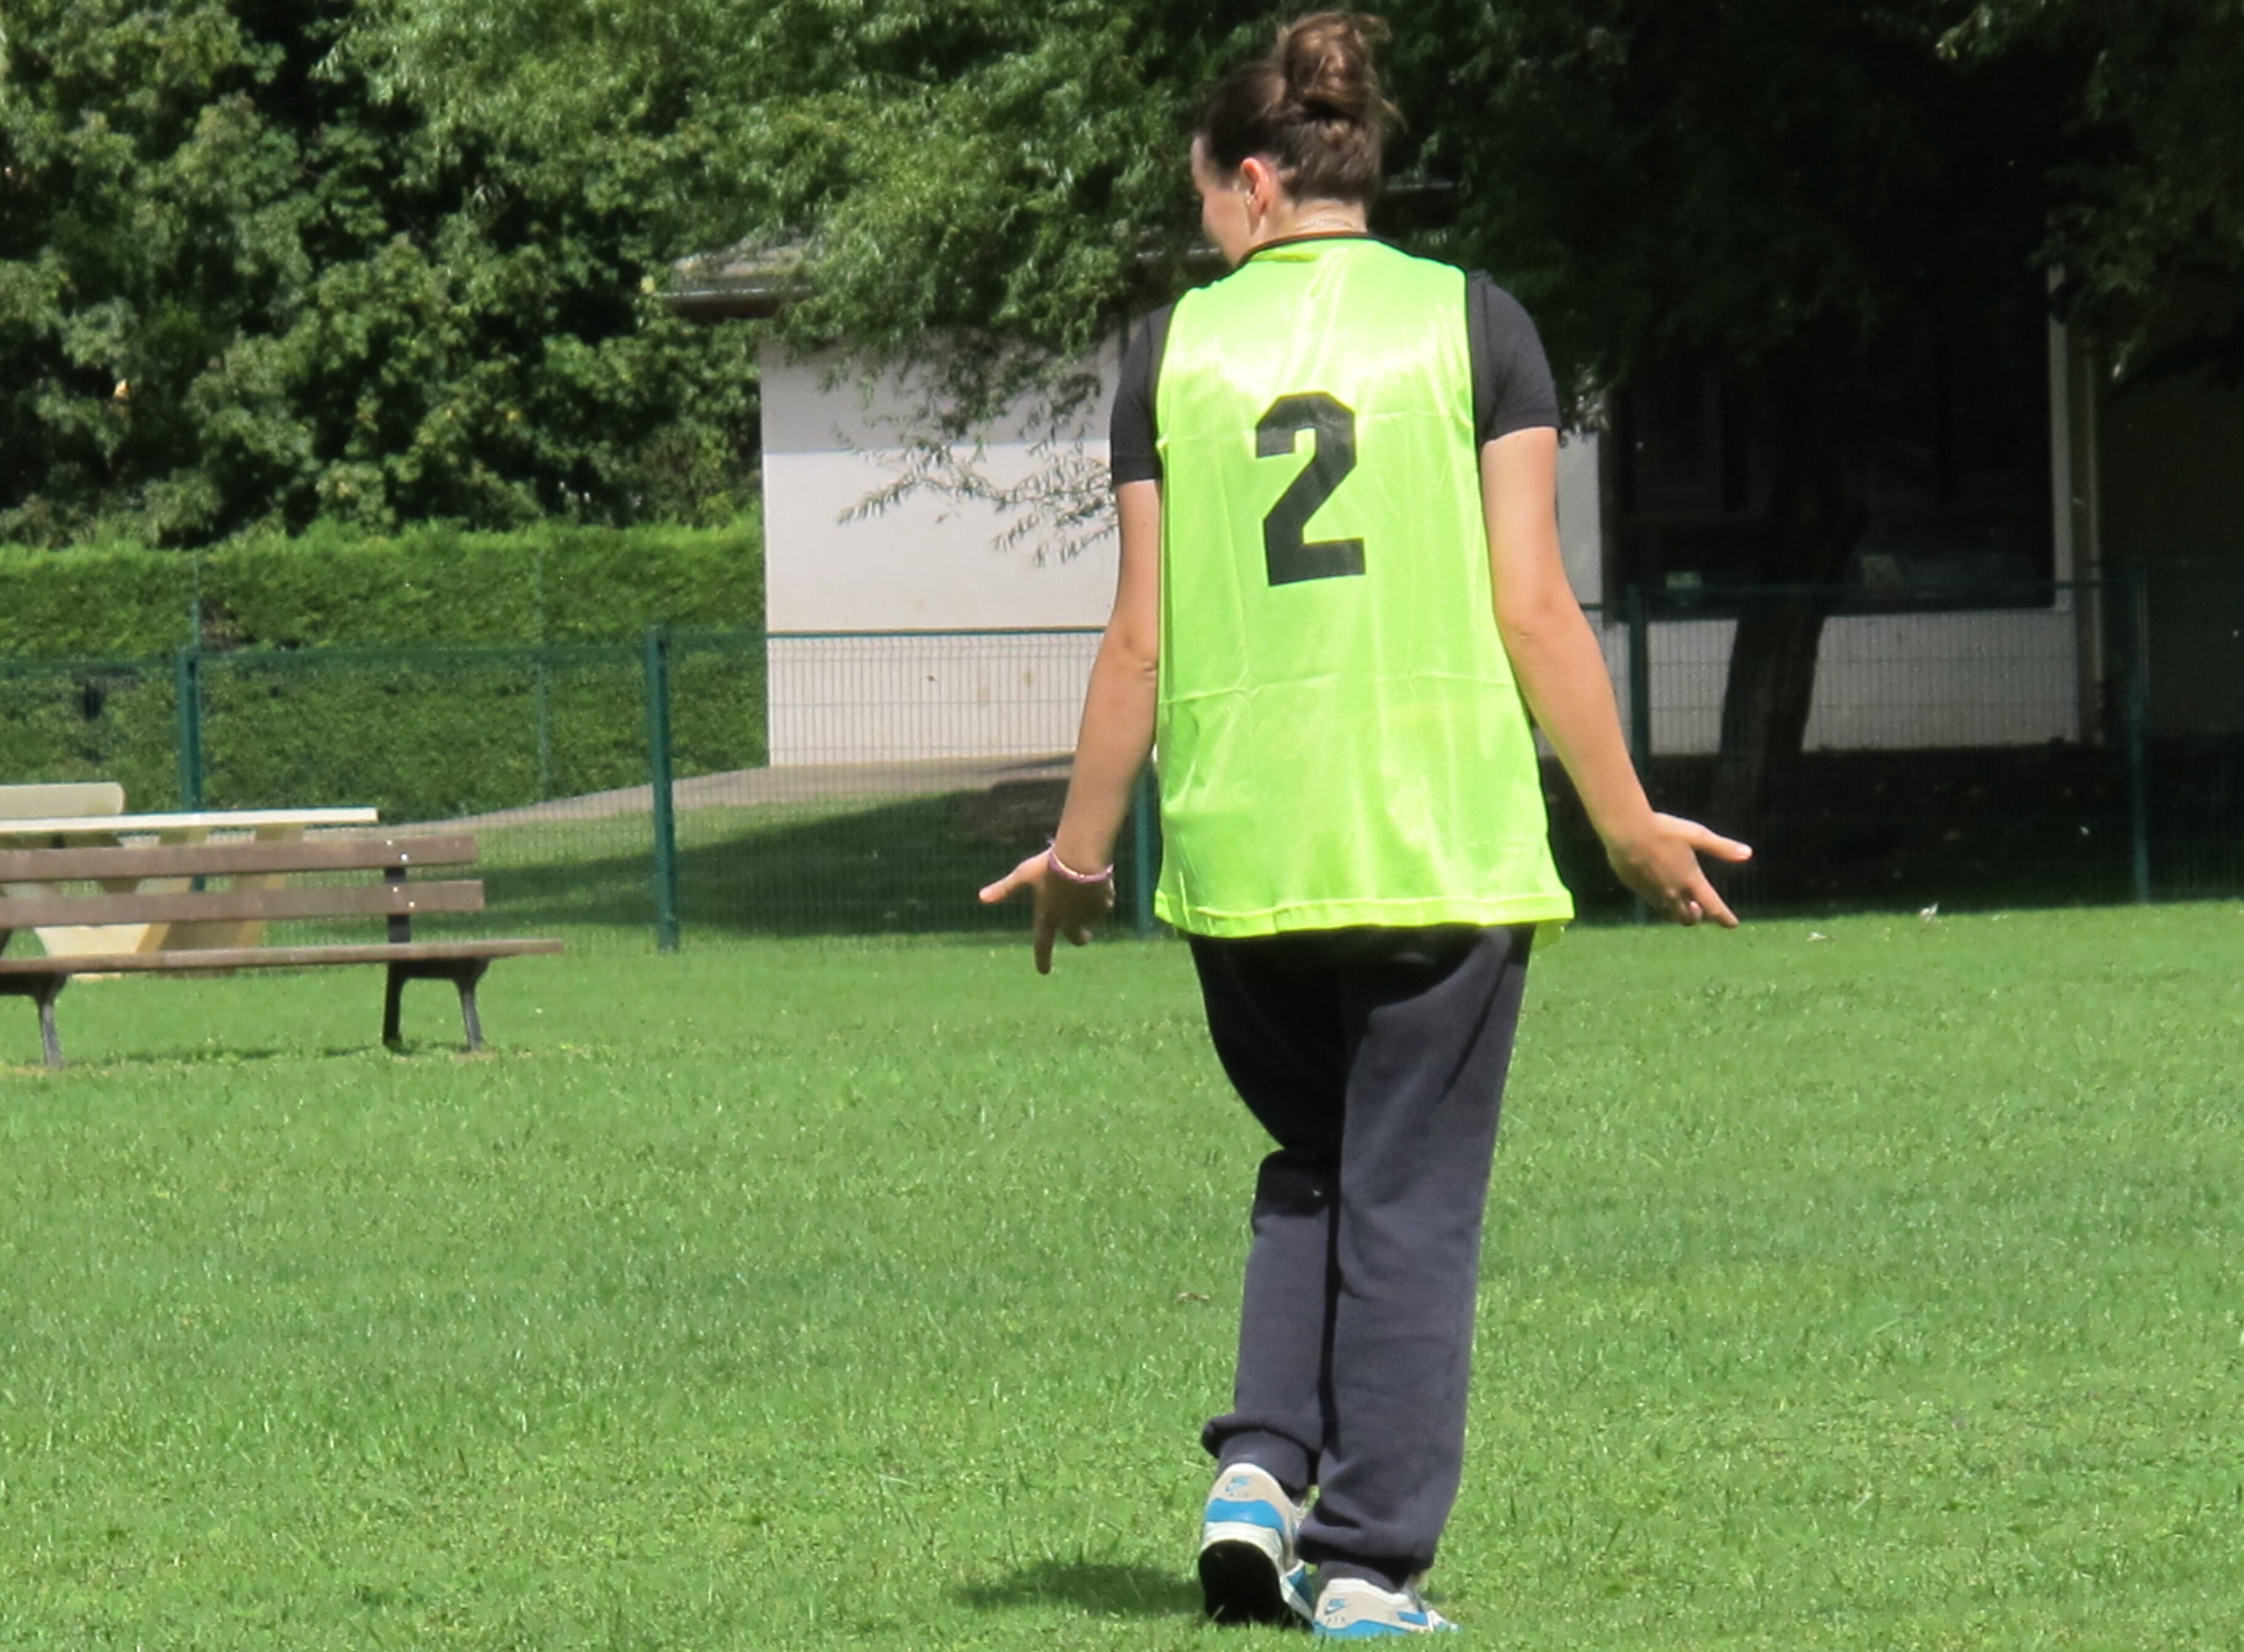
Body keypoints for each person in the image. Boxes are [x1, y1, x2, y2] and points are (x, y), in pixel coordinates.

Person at [981, 10, 1750, 1637]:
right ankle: (1370, 1567)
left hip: (1251, 860)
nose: (1205, 226)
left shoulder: (1167, 357)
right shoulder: (1479, 327)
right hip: (1436, 845)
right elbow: (1536, 607)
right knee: (1409, 1202)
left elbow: (1139, 634)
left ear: (1255, 181)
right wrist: (1621, 828)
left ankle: (1259, 1471)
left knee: (1315, 1164)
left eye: (1203, 198)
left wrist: (1082, 858)